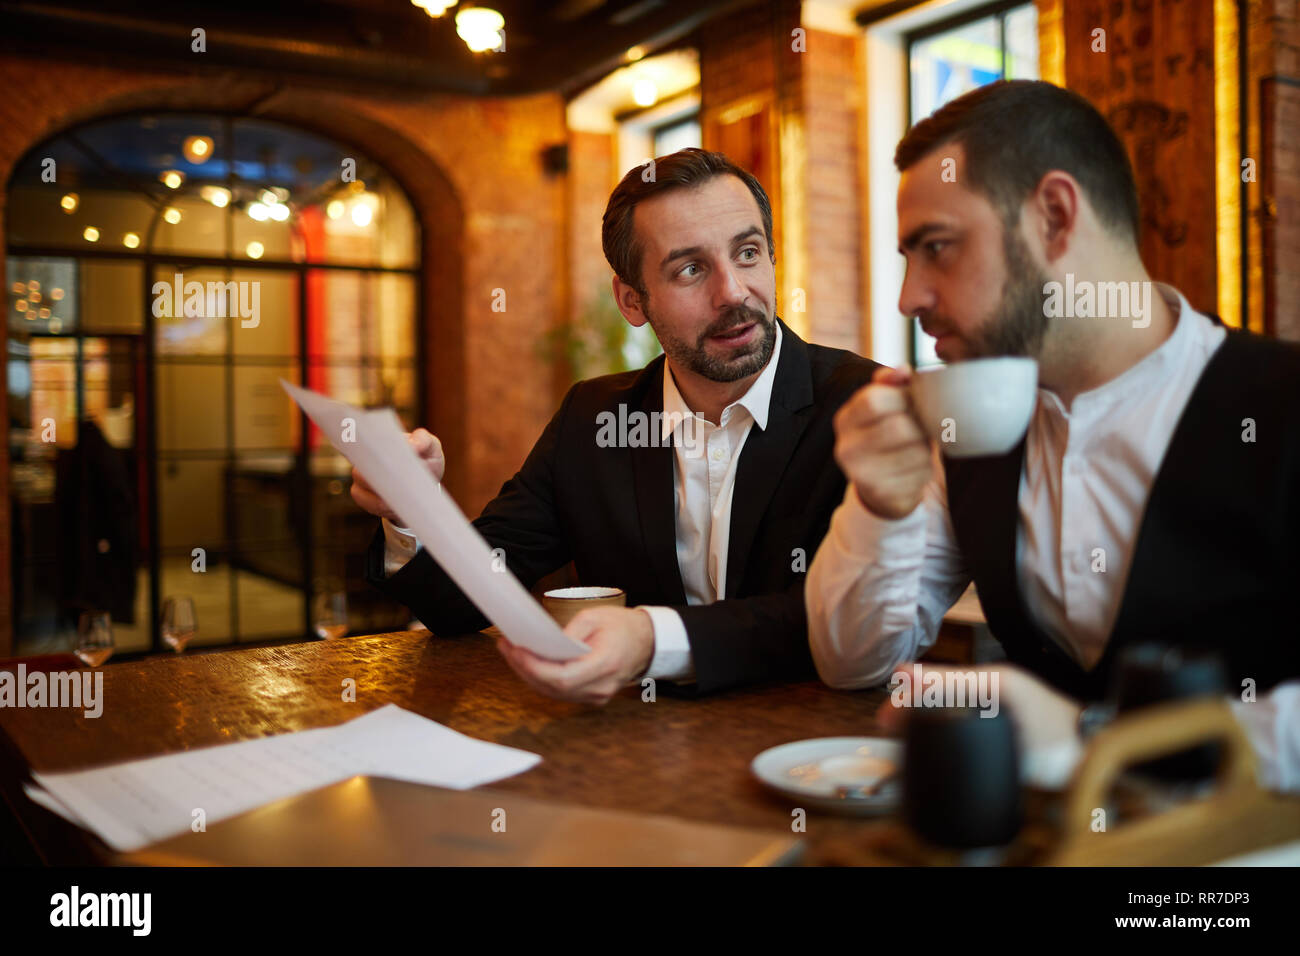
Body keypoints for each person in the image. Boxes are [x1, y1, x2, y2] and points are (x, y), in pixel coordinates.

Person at [805, 80, 1300, 774]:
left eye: (937, 248)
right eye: (907, 259)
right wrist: (878, 507)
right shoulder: (972, 432)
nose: (909, 296)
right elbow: (852, 664)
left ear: (1056, 217)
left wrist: (1091, 737)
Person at [355, 148, 877, 704]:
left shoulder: (865, 407)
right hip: (635, 754)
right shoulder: (596, 419)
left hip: (821, 752)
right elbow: (461, 600)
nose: (732, 292)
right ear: (632, 300)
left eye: (747, 253)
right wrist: (409, 508)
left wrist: (654, 640)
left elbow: (849, 615)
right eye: (690, 269)